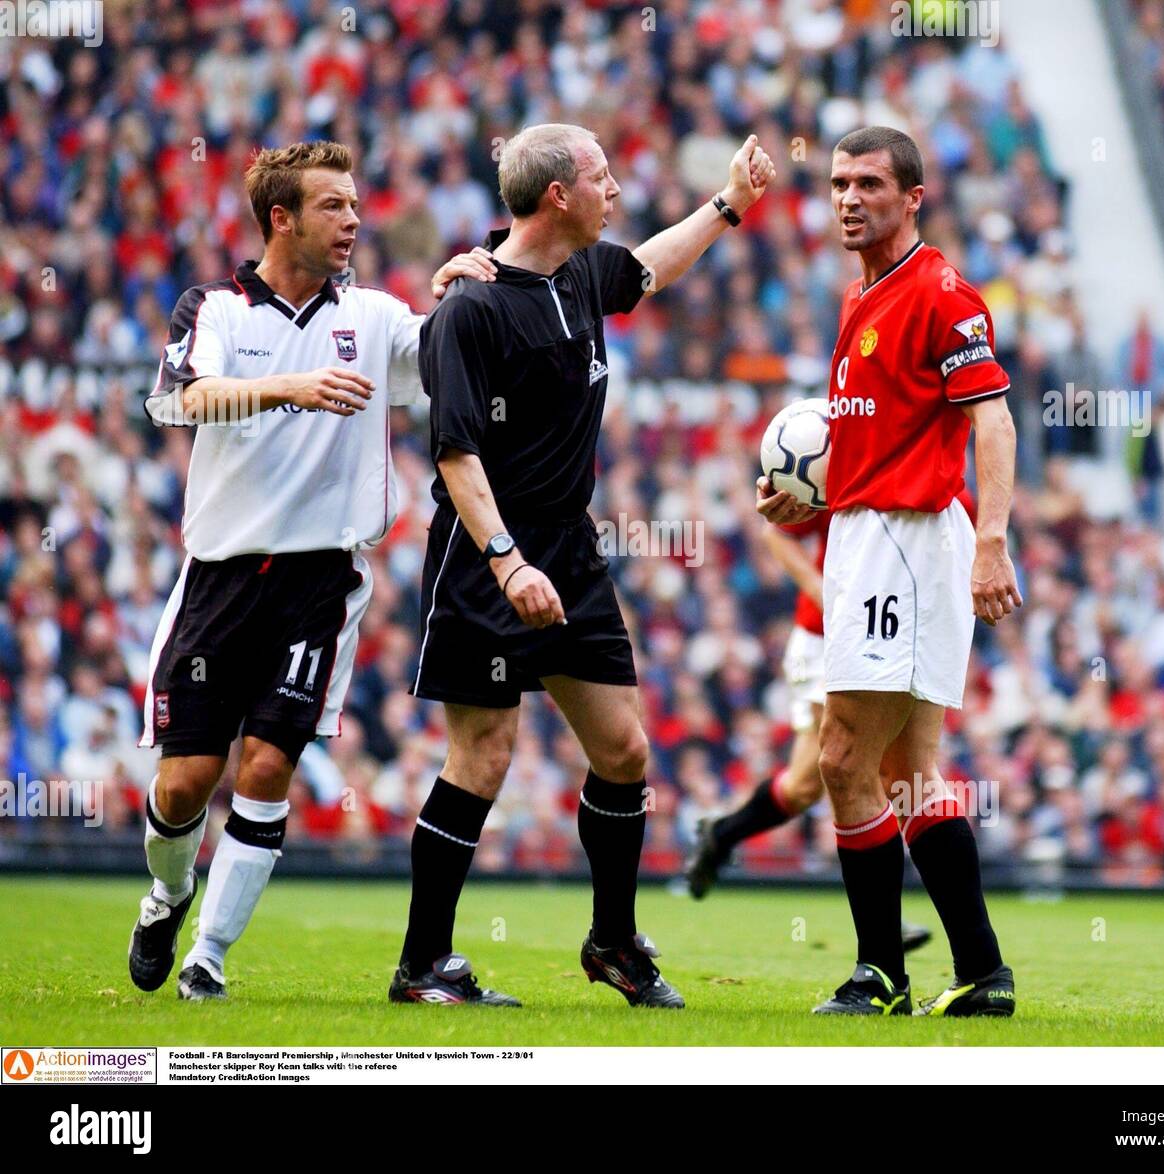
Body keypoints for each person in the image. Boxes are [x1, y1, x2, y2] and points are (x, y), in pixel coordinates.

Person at [393, 123, 774, 1009]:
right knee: (482, 755)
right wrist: (507, 562)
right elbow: (455, 452)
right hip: (486, 558)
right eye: (602, 175)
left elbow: (647, 267)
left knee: (624, 749)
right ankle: (422, 965)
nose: (617, 187)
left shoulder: (580, 273)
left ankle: (611, 942)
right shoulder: (470, 309)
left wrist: (729, 206)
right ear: (559, 194)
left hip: (571, 549)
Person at [128, 140, 492, 1001]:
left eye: (356, 205)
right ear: (281, 217)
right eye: (334, 206)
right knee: (184, 782)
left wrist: (467, 289)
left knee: (264, 768)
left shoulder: (371, 313)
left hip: (320, 581)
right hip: (219, 575)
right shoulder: (213, 305)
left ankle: (209, 957)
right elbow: (182, 396)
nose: (354, 220)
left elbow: (438, 355)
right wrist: (289, 386)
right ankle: (168, 893)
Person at [758, 126, 1021, 1017]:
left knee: (840, 756)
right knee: (911, 774)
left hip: (908, 545)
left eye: (868, 183)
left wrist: (993, 540)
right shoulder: (861, 295)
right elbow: (871, 442)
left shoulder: (942, 294)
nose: (847, 198)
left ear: (912, 197)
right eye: (837, 183)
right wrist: (808, 501)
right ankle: (983, 974)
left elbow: (993, 421)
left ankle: (879, 975)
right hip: (868, 535)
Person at [683, 511, 933, 954]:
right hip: (825, 643)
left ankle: (720, 835)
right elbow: (777, 532)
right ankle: (884, 923)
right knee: (859, 769)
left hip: (880, 640)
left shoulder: (941, 484)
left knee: (803, 788)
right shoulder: (844, 458)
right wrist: (823, 594)